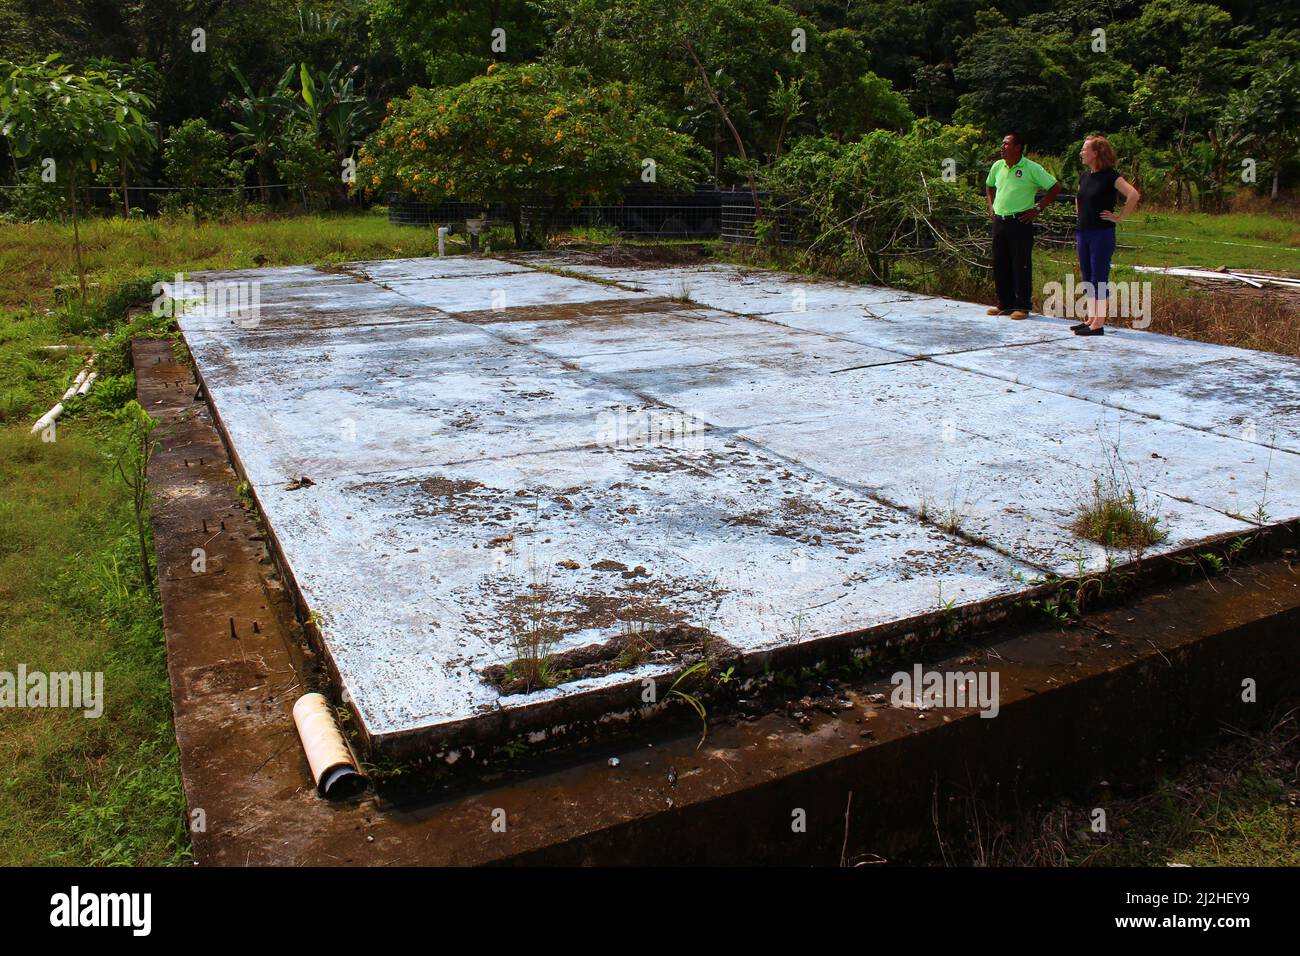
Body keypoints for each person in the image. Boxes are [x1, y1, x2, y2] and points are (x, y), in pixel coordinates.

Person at [985, 132, 1062, 320]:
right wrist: (991, 205)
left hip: (1020, 221)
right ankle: (1004, 304)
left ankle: (1022, 306)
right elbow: (989, 185)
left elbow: (1054, 187)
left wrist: (1038, 208)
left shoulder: (1031, 168)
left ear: (1018, 147)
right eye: (1002, 143)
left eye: (1006, 144)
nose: (1002, 147)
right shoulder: (997, 166)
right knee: (1000, 262)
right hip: (1000, 221)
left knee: (1021, 263)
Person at [1072, 134, 1141, 336]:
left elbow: (1133, 194)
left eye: (1085, 149)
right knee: (1087, 276)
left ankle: (1098, 324)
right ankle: (1091, 318)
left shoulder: (1111, 176)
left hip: (1101, 233)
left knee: (1099, 276)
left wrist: (1119, 217)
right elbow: (1079, 198)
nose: (1082, 153)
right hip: (1083, 231)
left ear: (1095, 153)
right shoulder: (1085, 176)